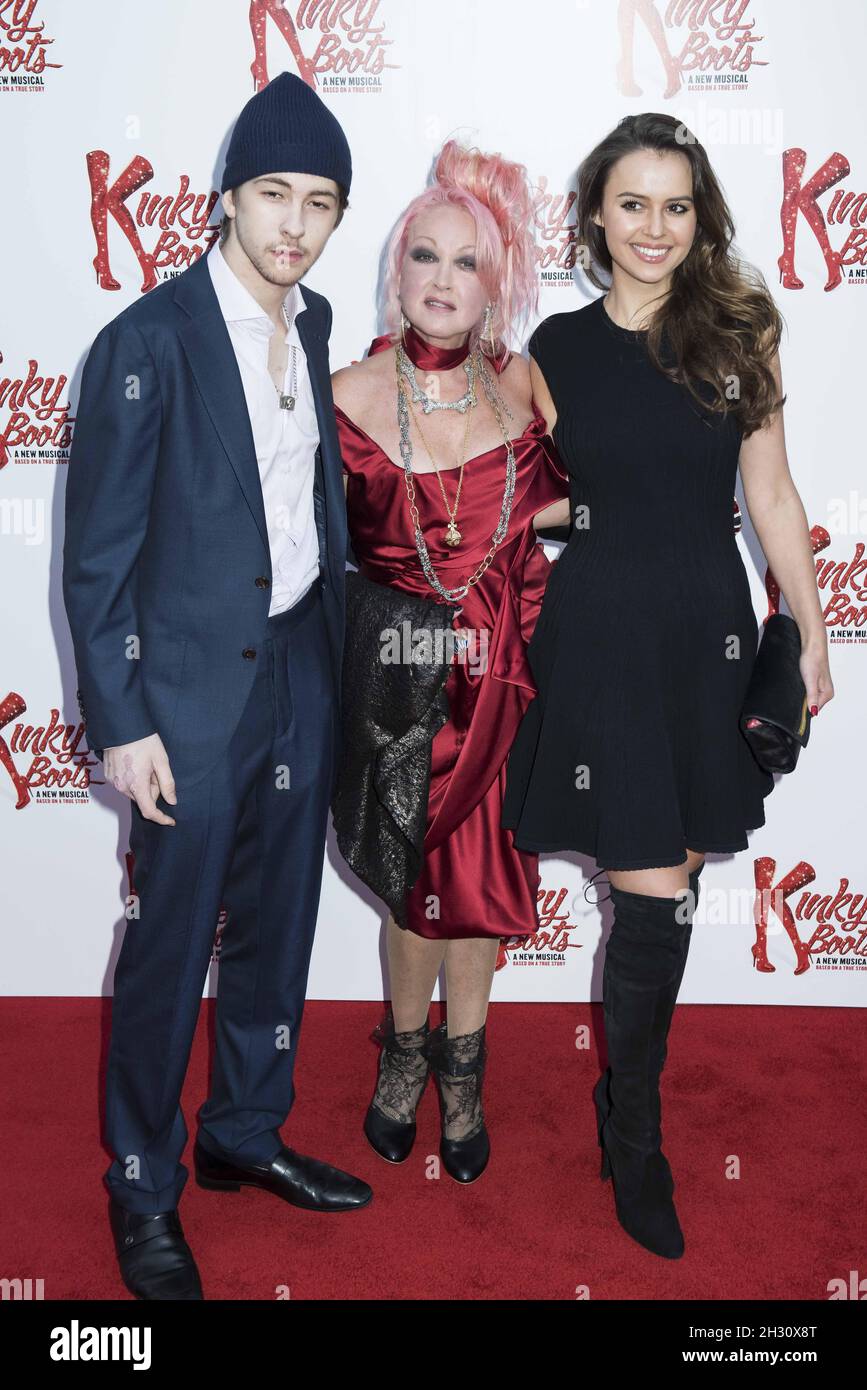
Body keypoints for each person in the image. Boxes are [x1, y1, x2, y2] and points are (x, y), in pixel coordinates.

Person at [501, 113, 834, 1257]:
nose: (654, 227)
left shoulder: (740, 330)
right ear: (596, 213)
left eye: (676, 205)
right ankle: (635, 1137)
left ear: (702, 216)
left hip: (707, 637)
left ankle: (624, 1106)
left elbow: (773, 496)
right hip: (598, 635)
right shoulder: (556, 344)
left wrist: (818, 632)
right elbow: (532, 497)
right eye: (632, 203)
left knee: (674, 885)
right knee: (649, 894)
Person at [63, 72, 371, 1302]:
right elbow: (96, 560)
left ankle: (245, 1128)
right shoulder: (145, 342)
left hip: (299, 660)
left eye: (321, 202)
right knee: (169, 942)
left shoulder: (316, 318)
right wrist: (124, 719)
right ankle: (143, 1179)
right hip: (187, 691)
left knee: (279, 922)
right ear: (226, 198)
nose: (295, 224)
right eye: (274, 196)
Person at [330, 142, 570, 1185]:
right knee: (409, 888)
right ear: (398, 269)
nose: (441, 278)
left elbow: (583, 503)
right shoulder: (343, 393)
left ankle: (462, 1074)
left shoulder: (525, 388)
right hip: (395, 687)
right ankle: (404, 1057)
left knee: (480, 884)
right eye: (423, 255)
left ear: (496, 277)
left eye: (466, 261)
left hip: (507, 676)